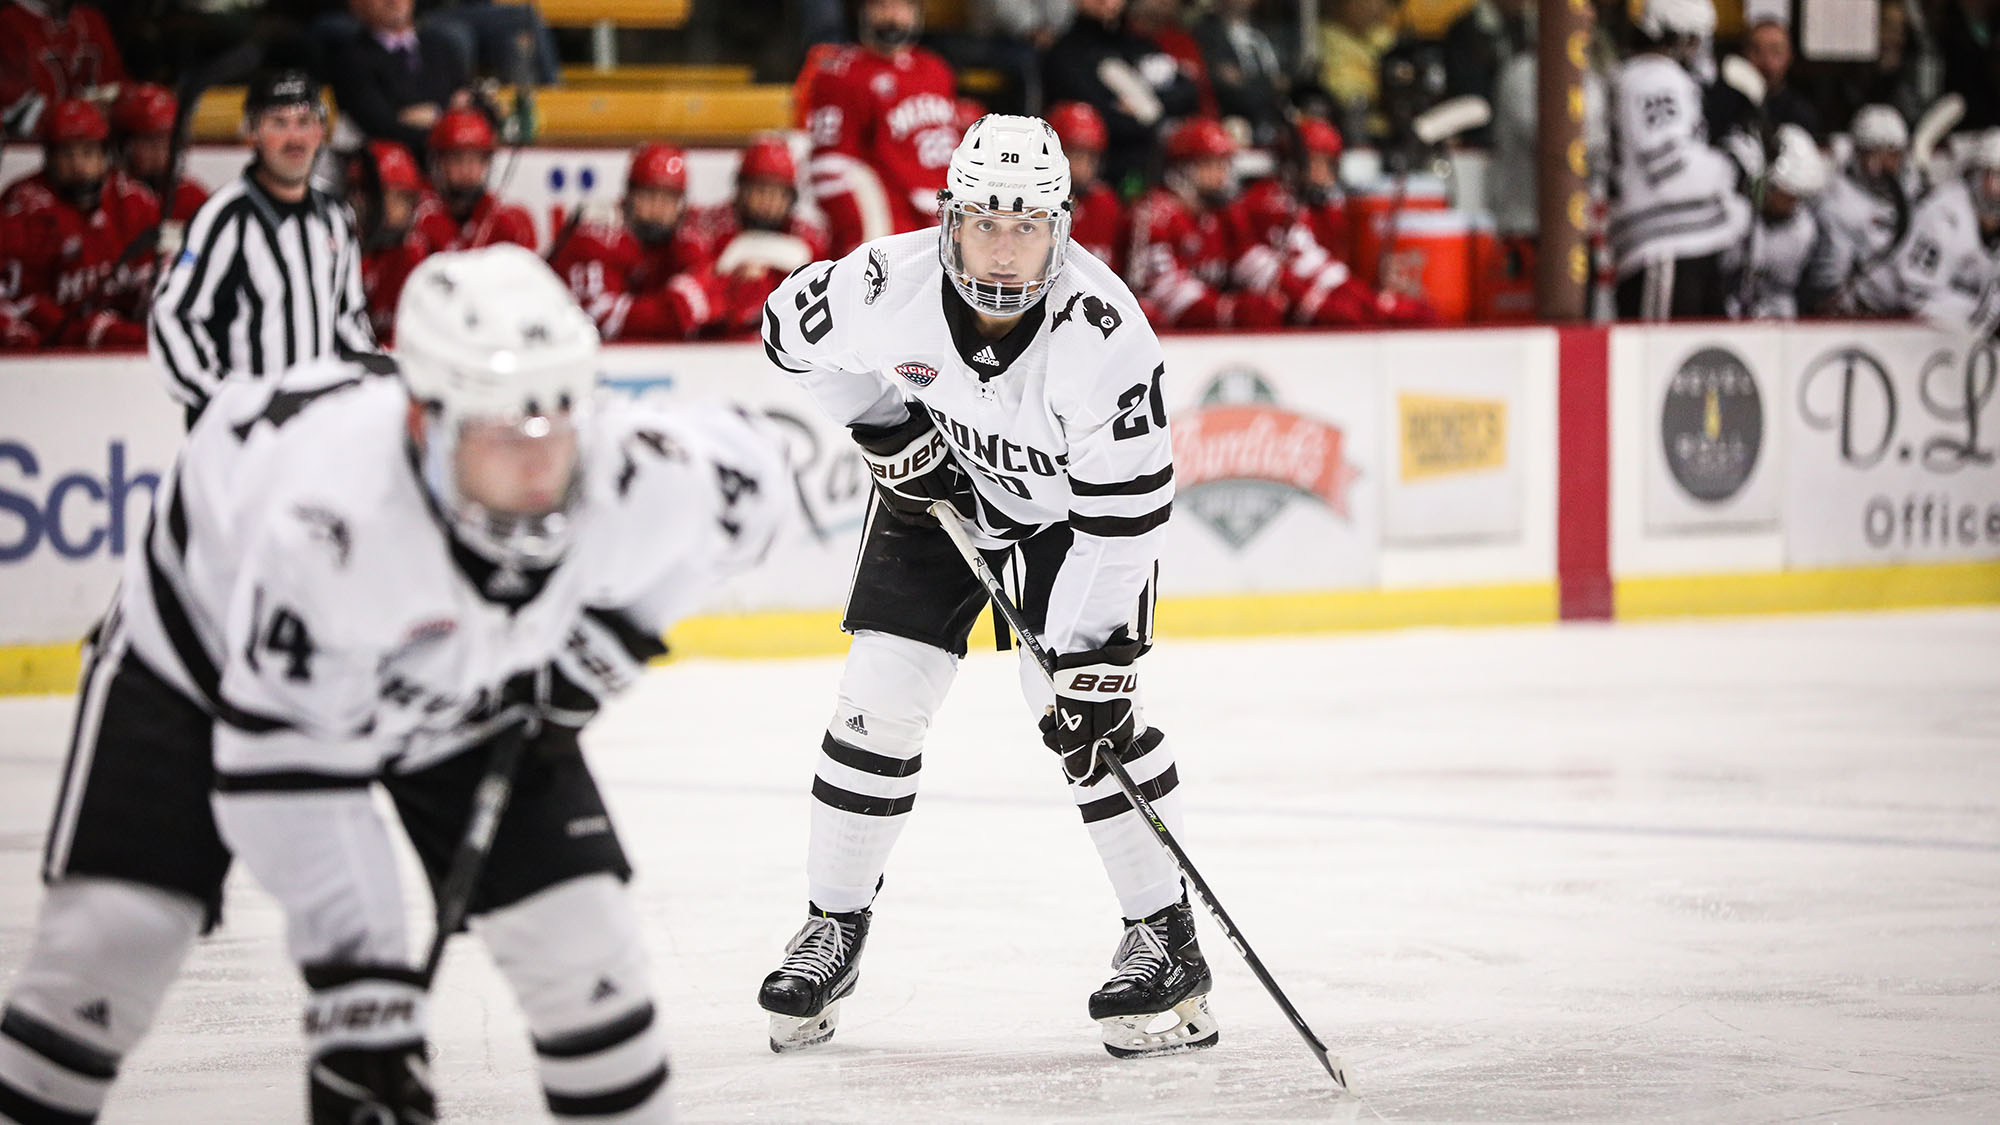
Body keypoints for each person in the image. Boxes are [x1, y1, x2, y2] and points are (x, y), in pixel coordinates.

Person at [0, 243, 798, 1125]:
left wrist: (596, 654)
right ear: (426, 423)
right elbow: (287, 777)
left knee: (585, 951)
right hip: (204, 647)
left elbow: (758, 486)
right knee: (112, 941)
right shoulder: (329, 528)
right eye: (504, 437)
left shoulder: (625, 468)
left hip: (464, 673)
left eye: (557, 427)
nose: (541, 473)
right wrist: (361, 993)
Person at [755, 114, 1213, 1062]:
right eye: (985, 224)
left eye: (1027, 227)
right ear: (949, 221)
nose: (1004, 251)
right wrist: (888, 428)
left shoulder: (1106, 340)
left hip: (1071, 526)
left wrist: (1088, 668)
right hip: (945, 494)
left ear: (1061, 229)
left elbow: (1126, 522)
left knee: (1081, 719)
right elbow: (786, 332)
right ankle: (831, 926)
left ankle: (1165, 936)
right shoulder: (887, 285)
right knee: (877, 699)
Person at [150, 70, 376, 425]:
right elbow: (173, 314)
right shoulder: (225, 218)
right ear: (252, 132)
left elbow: (347, 319)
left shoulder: (336, 217)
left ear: (321, 131)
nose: (294, 137)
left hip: (312, 428)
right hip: (240, 437)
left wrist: (378, 381)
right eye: (279, 123)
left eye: (305, 122)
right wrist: (222, 400)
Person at [1607, 0, 1749, 320]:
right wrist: (1732, 165)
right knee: (1660, 349)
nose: (1701, 50)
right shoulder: (1654, 80)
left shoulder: (1648, 76)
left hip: (1683, 246)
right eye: (1698, 39)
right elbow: (1670, 169)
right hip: (1665, 247)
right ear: (1681, 37)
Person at [798, 0, 958, 258]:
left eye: (902, 7)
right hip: (891, 223)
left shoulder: (936, 69)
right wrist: (866, 234)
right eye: (882, 6)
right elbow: (828, 168)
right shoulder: (840, 74)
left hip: (946, 215)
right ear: (863, 11)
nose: (892, 16)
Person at [0, 97, 161, 349]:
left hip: (120, 338)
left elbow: (159, 279)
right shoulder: (25, 208)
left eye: (88, 152)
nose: (78, 165)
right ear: (49, 158)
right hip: (54, 351)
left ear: (104, 155)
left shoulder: (135, 201)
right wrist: (88, 332)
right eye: (67, 154)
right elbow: (22, 301)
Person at [551, 141, 724, 341]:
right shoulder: (597, 236)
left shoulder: (686, 238)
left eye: (669, 199)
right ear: (629, 196)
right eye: (648, 196)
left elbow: (717, 301)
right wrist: (678, 308)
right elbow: (599, 319)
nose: (658, 208)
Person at [1125, 116, 1286, 328]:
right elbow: (1164, 296)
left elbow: (1254, 264)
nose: (1221, 175)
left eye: (1223, 164)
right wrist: (1231, 311)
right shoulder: (1154, 216)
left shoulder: (1223, 214)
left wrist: (1296, 295)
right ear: (1182, 169)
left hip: (1204, 332)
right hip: (1160, 337)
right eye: (1210, 164)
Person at [1042, 0, 1200, 194]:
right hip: (1096, 177)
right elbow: (1098, 119)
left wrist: (1145, 108)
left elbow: (1187, 92)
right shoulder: (1066, 54)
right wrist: (1149, 113)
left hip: (1151, 171)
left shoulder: (1136, 44)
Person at [678, 134, 830, 336]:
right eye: (760, 190)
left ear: (791, 198)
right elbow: (694, 297)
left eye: (777, 193)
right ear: (741, 189)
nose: (767, 202)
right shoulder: (709, 230)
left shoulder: (809, 238)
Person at [1883, 127, 2000, 337]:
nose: (1996, 189)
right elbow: (1916, 299)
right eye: (1992, 175)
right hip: (1921, 336)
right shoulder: (1943, 215)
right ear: (1974, 175)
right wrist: (1981, 315)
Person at [329, 0, 477, 157]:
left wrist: (434, 116)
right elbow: (381, 126)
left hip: (460, 161)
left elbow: (478, 107)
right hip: (396, 164)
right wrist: (450, 118)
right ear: (357, 4)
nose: (394, 2)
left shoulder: (440, 46)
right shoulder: (351, 60)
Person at [1723, 124, 1836, 318]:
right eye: (1788, 196)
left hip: (1777, 313)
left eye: (1797, 198)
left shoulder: (1803, 228)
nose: (1793, 204)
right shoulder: (1735, 216)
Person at [1816, 104, 1915, 317]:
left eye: (1893, 154)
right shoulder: (1838, 202)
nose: (1887, 164)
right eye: (1876, 153)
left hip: (1911, 309)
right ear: (1858, 153)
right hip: (1864, 315)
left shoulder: (1912, 190)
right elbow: (1832, 283)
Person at [345, 139, 438, 340]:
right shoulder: (338, 251)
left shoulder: (412, 256)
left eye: (407, 199)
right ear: (362, 196)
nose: (402, 210)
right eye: (395, 197)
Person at [0, 0, 124, 140]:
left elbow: (118, 85)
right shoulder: (8, 23)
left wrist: (119, 105)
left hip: (98, 144)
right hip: (35, 145)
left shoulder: (92, 20)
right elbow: (14, 112)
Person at [419, 106, 536, 251]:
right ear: (439, 163)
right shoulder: (418, 218)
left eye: (476, 160)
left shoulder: (503, 220)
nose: (466, 170)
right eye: (456, 159)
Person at [1193, 0, 1291, 147]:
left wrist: (1251, 81)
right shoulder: (1207, 31)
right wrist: (1269, 83)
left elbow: (1285, 79)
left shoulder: (1266, 30)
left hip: (1274, 116)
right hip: (1232, 120)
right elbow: (1225, 83)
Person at [110, 82, 209, 226]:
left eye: (166, 141)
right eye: (149, 141)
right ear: (124, 146)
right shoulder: (110, 200)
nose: (160, 151)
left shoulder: (191, 196)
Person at [1047, 101, 1128, 275]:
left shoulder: (1106, 205)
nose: (1081, 167)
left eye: (1090, 157)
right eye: (1074, 154)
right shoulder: (1035, 203)